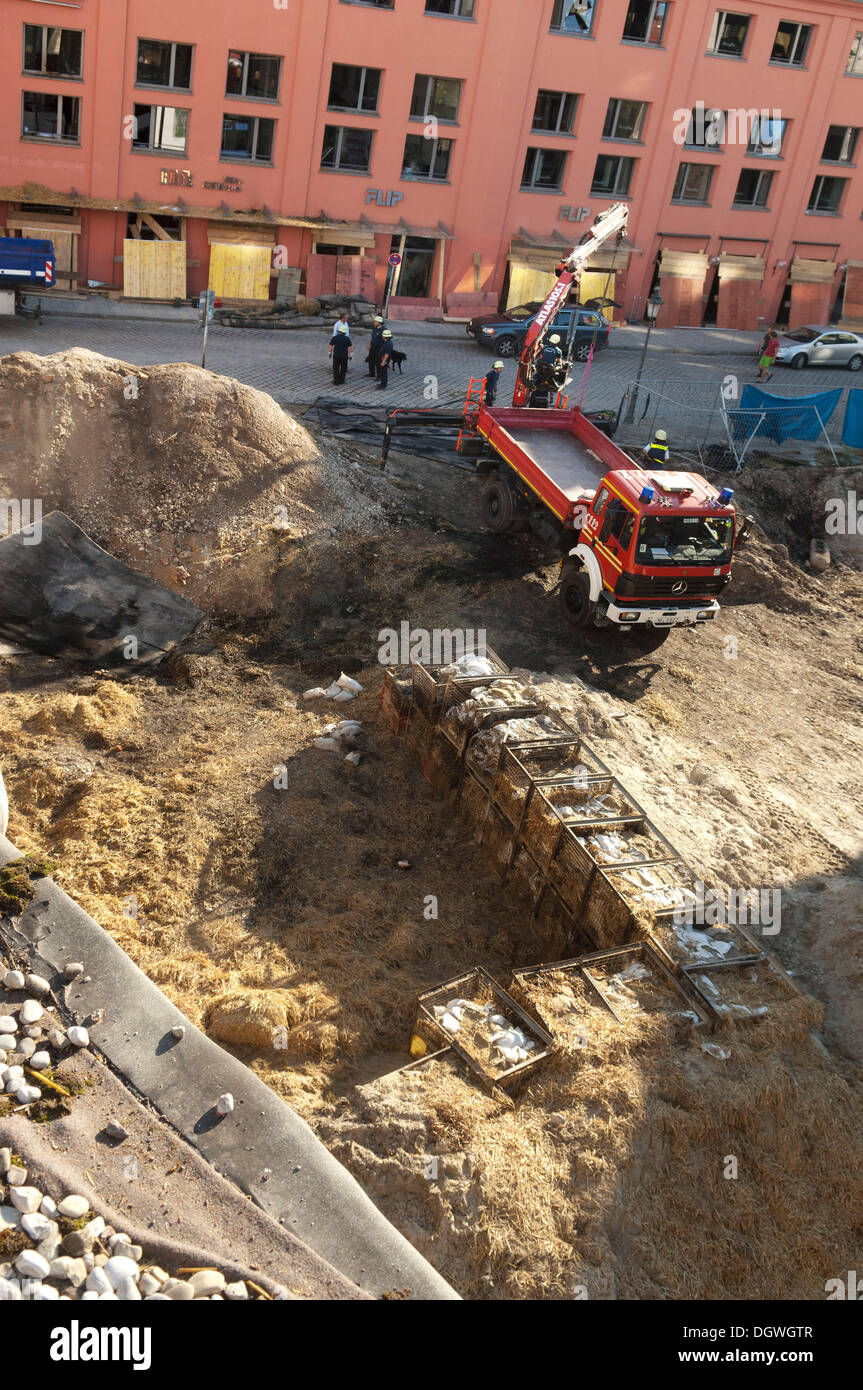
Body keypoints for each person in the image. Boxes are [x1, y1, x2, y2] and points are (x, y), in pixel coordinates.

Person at [328, 321, 352, 385]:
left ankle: (336, 381)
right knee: (343, 368)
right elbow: (350, 348)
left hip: (336, 355)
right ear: (344, 332)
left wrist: (329, 352)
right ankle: (342, 380)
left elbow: (330, 346)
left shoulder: (335, 338)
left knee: (336, 368)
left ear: (339, 331)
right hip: (344, 355)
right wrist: (351, 355)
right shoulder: (347, 339)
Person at [367, 315, 385, 379]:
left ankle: (379, 376)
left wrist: (383, 348)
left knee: (378, 361)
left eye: (375, 322)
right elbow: (372, 337)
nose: (374, 323)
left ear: (379, 322)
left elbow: (386, 340)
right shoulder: (374, 328)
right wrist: (369, 344)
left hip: (379, 347)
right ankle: (371, 373)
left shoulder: (384, 330)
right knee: (370, 360)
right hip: (373, 346)